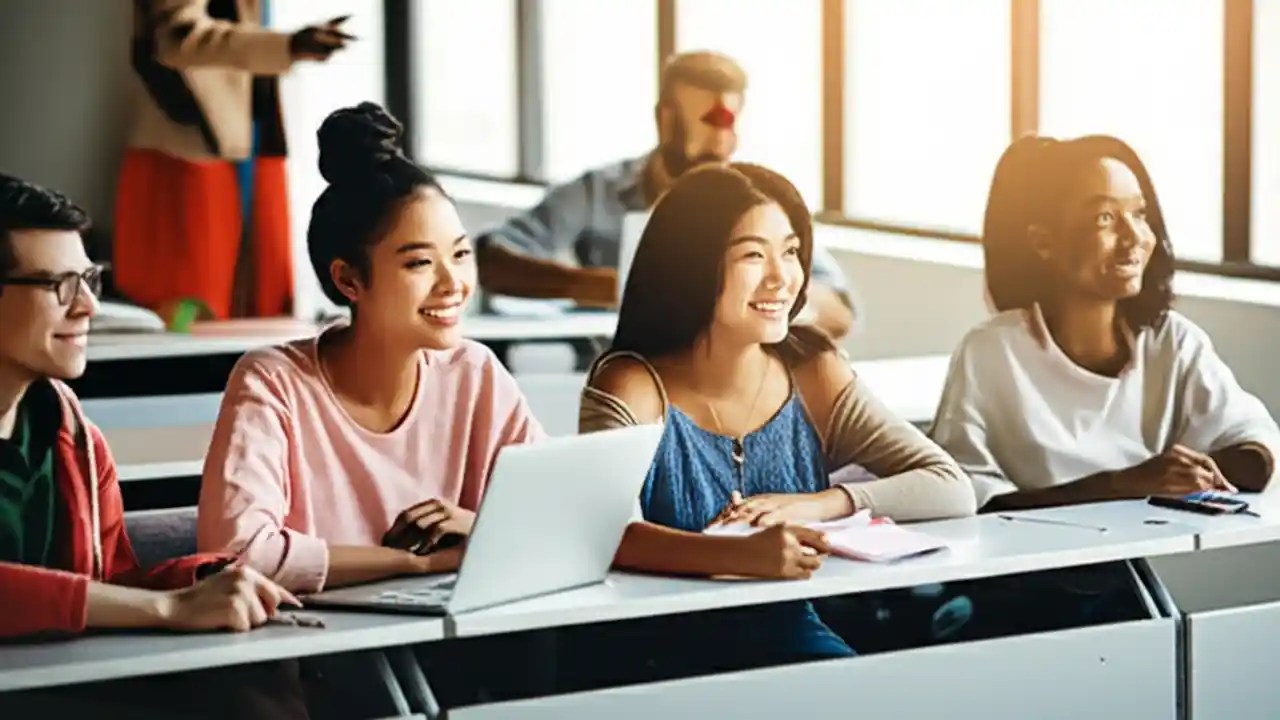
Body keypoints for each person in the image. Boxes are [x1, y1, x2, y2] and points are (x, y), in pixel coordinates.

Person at [196, 103, 546, 712]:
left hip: (451, 653)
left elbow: (558, 518)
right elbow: (237, 555)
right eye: (418, 263)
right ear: (349, 280)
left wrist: (478, 526)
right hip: (310, 667)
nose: (452, 283)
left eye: (460, 254)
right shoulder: (273, 381)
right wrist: (410, 565)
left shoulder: (477, 373)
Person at [570, 162, 973, 689]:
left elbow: (950, 487)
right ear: (691, 265)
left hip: (790, 642)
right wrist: (738, 555)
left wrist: (825, 502)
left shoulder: (813, 371)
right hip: (652, 663)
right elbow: (604, 535)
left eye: (790, 251)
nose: (782, 277)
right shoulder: (631, 384)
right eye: (753, 255)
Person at [0, 172, 306, 717]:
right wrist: (165, 607)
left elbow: (113, 585)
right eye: (59, 286)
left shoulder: (73, 439)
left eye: (89, 279)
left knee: (253, 681)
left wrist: (204, 580)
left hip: (67, 680)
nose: (89, 305)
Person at [933, 134, 1279, 512]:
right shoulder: (992, 351)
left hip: (1126, 554)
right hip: (1026, 563)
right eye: (1105, 218)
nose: (1133, 237)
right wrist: (1124, 483)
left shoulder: (1171, 341)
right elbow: (963, 494)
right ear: (1044, 242)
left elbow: (1257, 445)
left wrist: (1189, 472)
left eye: (1139, 214)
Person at [476, 50, 857, 340]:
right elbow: (492, 260)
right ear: (665, 120)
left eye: (729, 127)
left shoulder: (759, 201)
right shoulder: (600, 191)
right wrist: (625, 286)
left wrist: (762, 292)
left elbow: (839, 311)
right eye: (706, 125)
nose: (721, 144)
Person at [114, 0, 351, 322]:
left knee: (261, 301)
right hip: (193, 141)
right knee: (189, 310)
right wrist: (286, 45)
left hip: (246, 134)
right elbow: (174, 37)